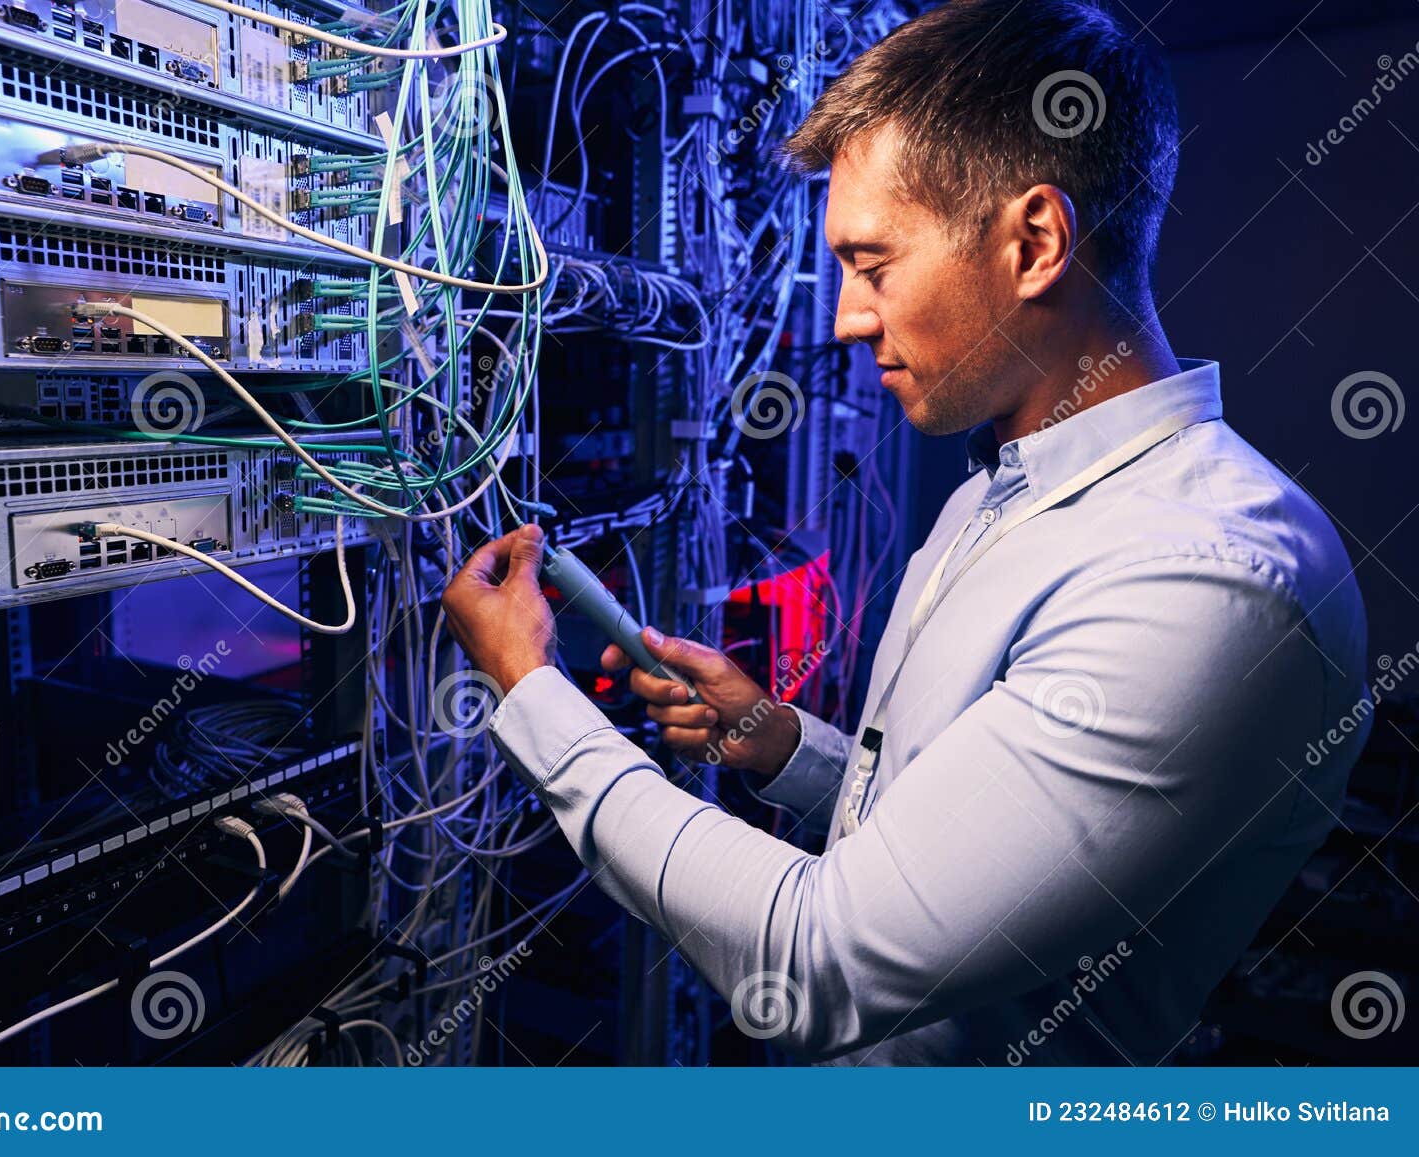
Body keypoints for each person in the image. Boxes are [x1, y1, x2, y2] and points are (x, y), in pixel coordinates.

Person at [440, 0, 1370, 1065]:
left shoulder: (1205, 578)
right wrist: (786, 750)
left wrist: (531, 693)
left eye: (872, 264)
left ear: (1034, 242)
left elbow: (818, 961)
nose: (844, 315)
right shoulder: (1005, 486)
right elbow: (977, 836)